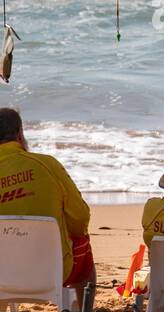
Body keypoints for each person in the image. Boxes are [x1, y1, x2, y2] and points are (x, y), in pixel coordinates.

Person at [0, 107, 94, 300]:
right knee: (82, 243)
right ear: (19, 134)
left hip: (2, 274)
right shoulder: (47, 165)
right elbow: (80, 217)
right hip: (51, 272)